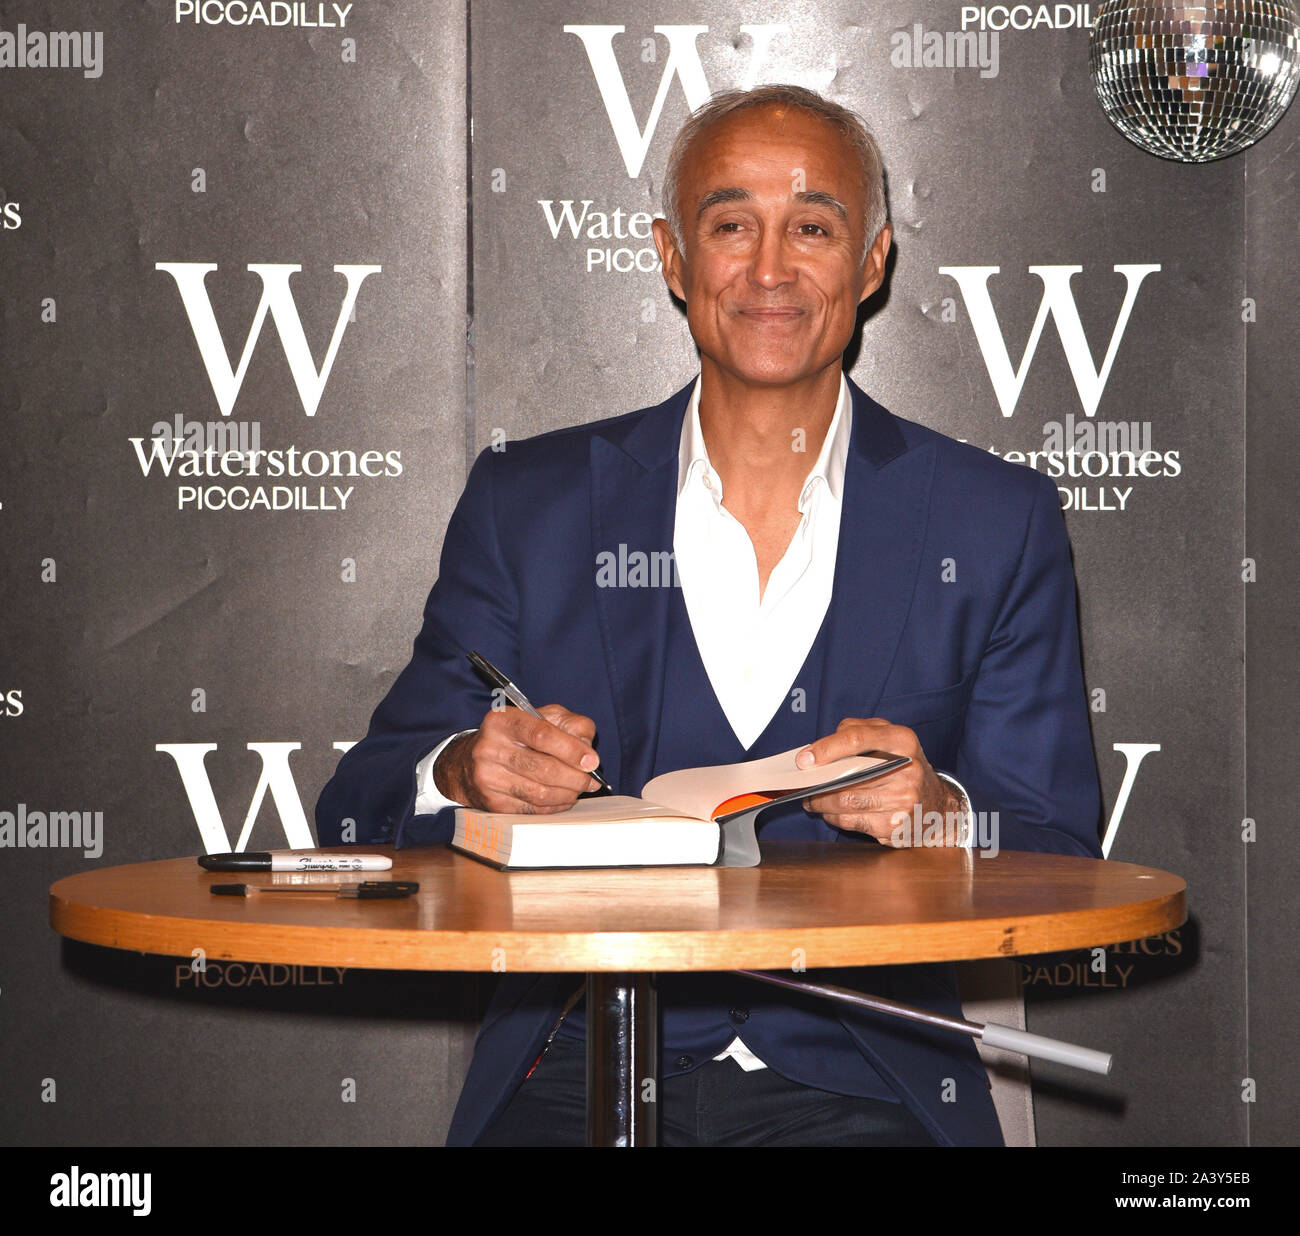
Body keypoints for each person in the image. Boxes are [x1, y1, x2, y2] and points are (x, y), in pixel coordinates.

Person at [315, 84, 1102, 1147]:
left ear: (871, 264)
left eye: (811, 227)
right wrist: (464, 770)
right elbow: (356, 808)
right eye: (731, 225)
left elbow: (1059, 849)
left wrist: (940, 815)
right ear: (673, 257)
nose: (769, 269)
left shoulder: (993, 517)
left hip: (867, 1083)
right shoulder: (528, 502)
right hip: (574, 1072)